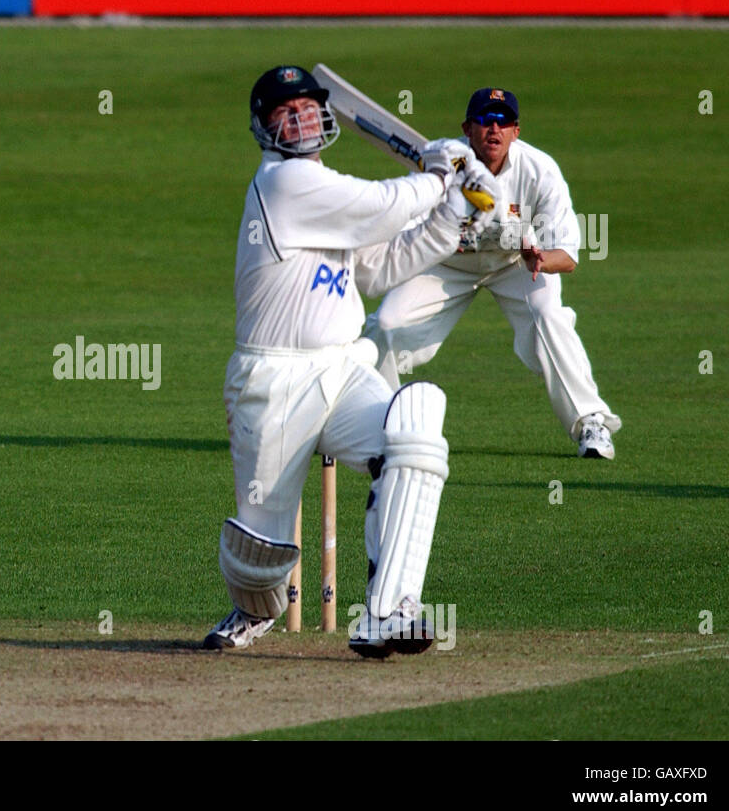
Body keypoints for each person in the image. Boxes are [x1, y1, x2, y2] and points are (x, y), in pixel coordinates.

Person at [207, 66, 500, 658]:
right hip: (272, 382)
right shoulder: (284, 184)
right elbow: (382, 205)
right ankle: (254, 610)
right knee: (259, 565)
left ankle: (388, 613)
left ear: (325, 117)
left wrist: (451, 218)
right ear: (264, 129)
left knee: (415, 425)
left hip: (340, 371)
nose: (299, 120)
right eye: (283, 113)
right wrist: (441, 171)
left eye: (308, 108)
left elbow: (381, 266)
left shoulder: (324, 190)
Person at [363, 88, 620, 459]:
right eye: (485, 121)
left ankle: (591, 423)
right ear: (468, 129)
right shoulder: (442, 164)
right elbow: (410, 226)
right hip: (446, 262)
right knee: (386, 323)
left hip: (516, 264)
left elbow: (568, 255)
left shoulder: (540, 170)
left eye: (503, 122)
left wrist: (539, 259)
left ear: (516, 131)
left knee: (548, 317)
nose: (494, 129)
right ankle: (381, 420)